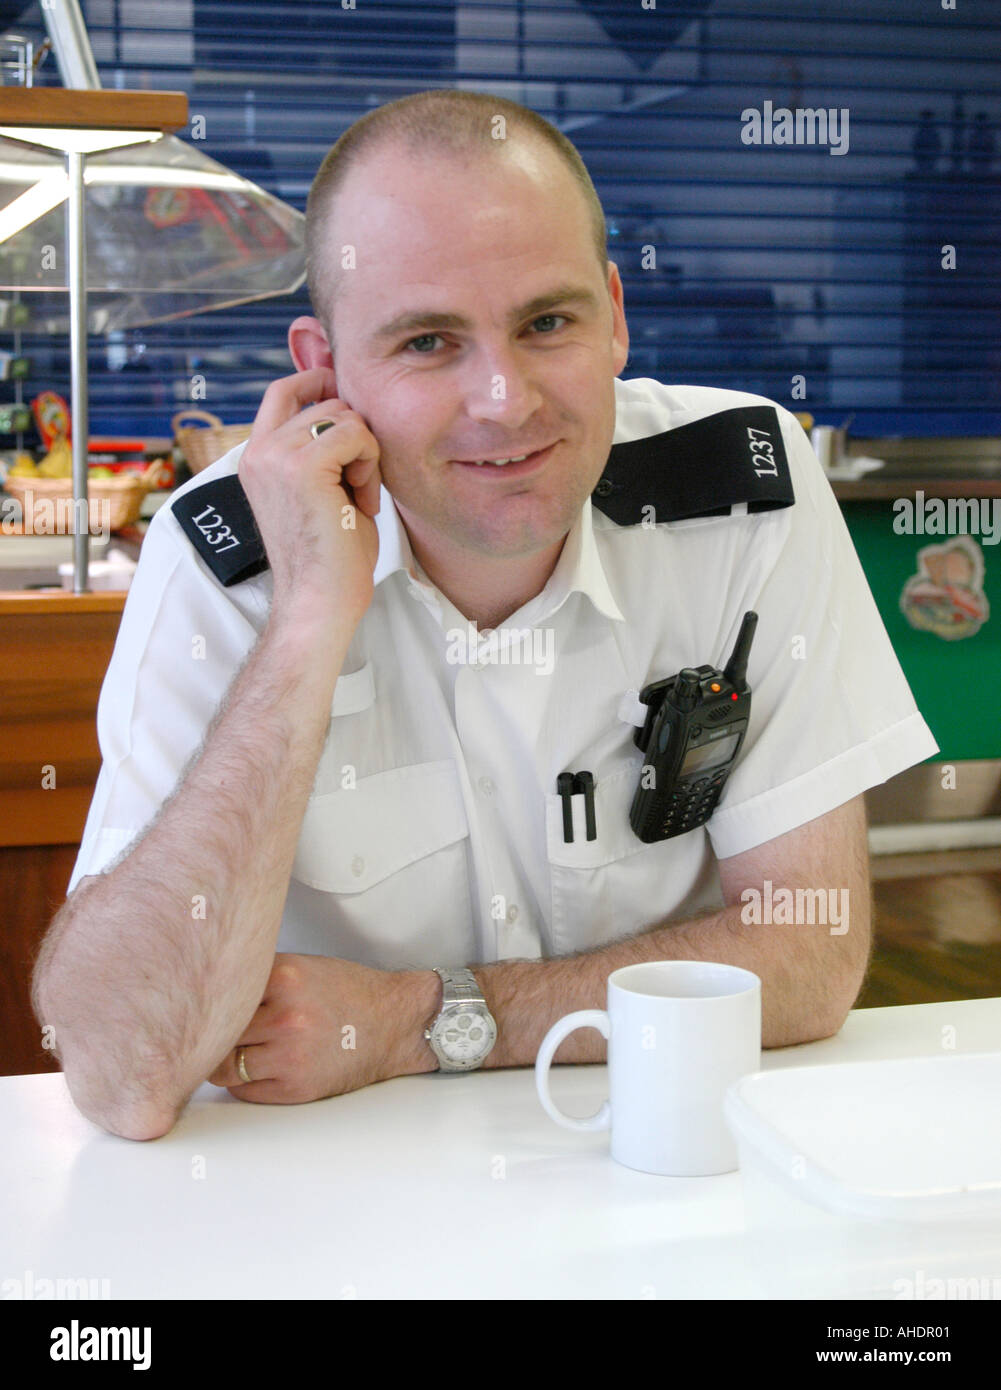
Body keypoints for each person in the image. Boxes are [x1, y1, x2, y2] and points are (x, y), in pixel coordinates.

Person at [32, 89, 938, 1141]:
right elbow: (119, 1073)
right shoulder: (219, 556)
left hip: (666, 1164)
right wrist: (307, 623)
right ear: (322, 370)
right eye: (426, 342)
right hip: (331, 1213)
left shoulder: (745, 489)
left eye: (545, 322)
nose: (503, 399)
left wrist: (420, 1019)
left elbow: (810, 956)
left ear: (614, 315)